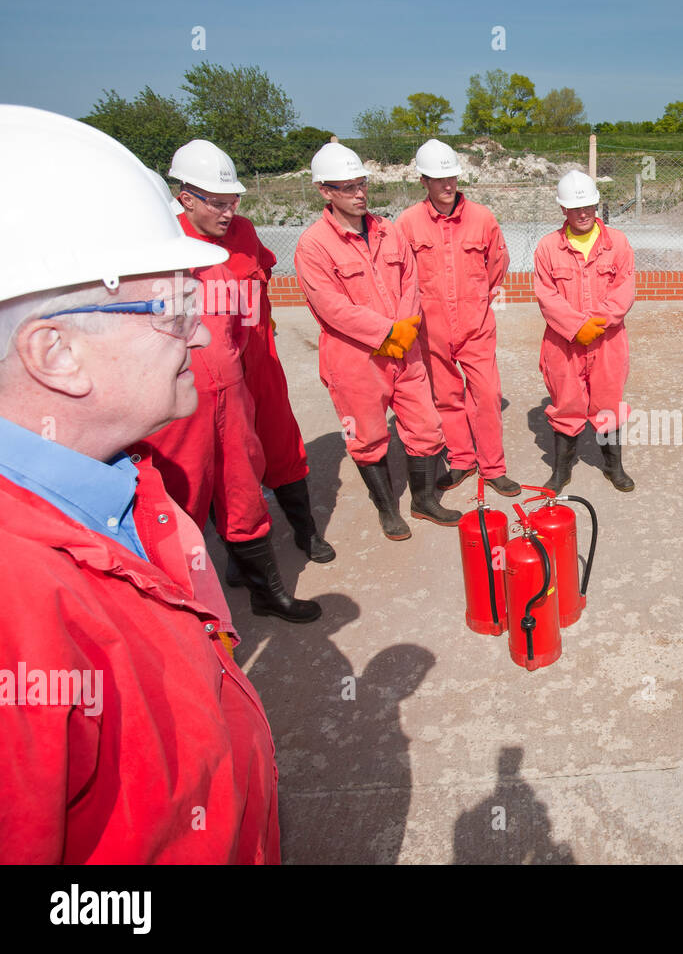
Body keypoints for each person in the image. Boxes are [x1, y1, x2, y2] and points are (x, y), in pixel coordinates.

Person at [0, 104, 279, 862]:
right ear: (55, 352)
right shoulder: (17, 610)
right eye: (172, 309)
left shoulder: (131, 492)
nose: (198, 330)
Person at [138, 140, 322, 623]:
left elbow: (254, 285)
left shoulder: (242, 234)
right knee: (182, 501)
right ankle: (181, 612)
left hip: (236, 383)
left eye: (232, 201)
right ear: (186, 198)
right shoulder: (158, 247)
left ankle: (266, 593)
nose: (227, 211)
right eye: (217, 202)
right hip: (180, 400)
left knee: (243, 486)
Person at [295, 142, 460, 539]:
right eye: (347, 187)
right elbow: (330, 306)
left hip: (404, 349)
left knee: (425, 425)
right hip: (356, 360)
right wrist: (383, 332)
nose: (359, 193)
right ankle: (388, 509)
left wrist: (404, 327)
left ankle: (424, 501)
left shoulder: (388, 231)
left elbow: (410, 281)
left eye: (361, 184)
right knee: (367, 436)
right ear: (325, 191)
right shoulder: (314, 245)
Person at [396, 139, 519, 497]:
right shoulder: (407, 223)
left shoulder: (482, 218)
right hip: (430, 328)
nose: (447, 185)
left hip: (476, 325)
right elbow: (403, 274)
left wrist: (476, 298)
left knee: (487, 394)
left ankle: (493, 467)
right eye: (438, 179)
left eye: (451, 177)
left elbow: (497, 265)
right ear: (423, 181)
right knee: (446, 397)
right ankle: (462, 460)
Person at [533, 170, 636, 492]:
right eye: (575, 208)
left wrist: (599, 323)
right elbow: (545, 295)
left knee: (608, 401)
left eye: (589, 206)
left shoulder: (617, 243)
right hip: (563, 341)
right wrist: (577, 327)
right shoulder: (548, 247)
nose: (583, 213)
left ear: (596, 204)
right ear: (563, 209)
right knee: (566, 403)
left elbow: (625, 287)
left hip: (608, 340)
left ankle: (612, 466)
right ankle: (561, 471)